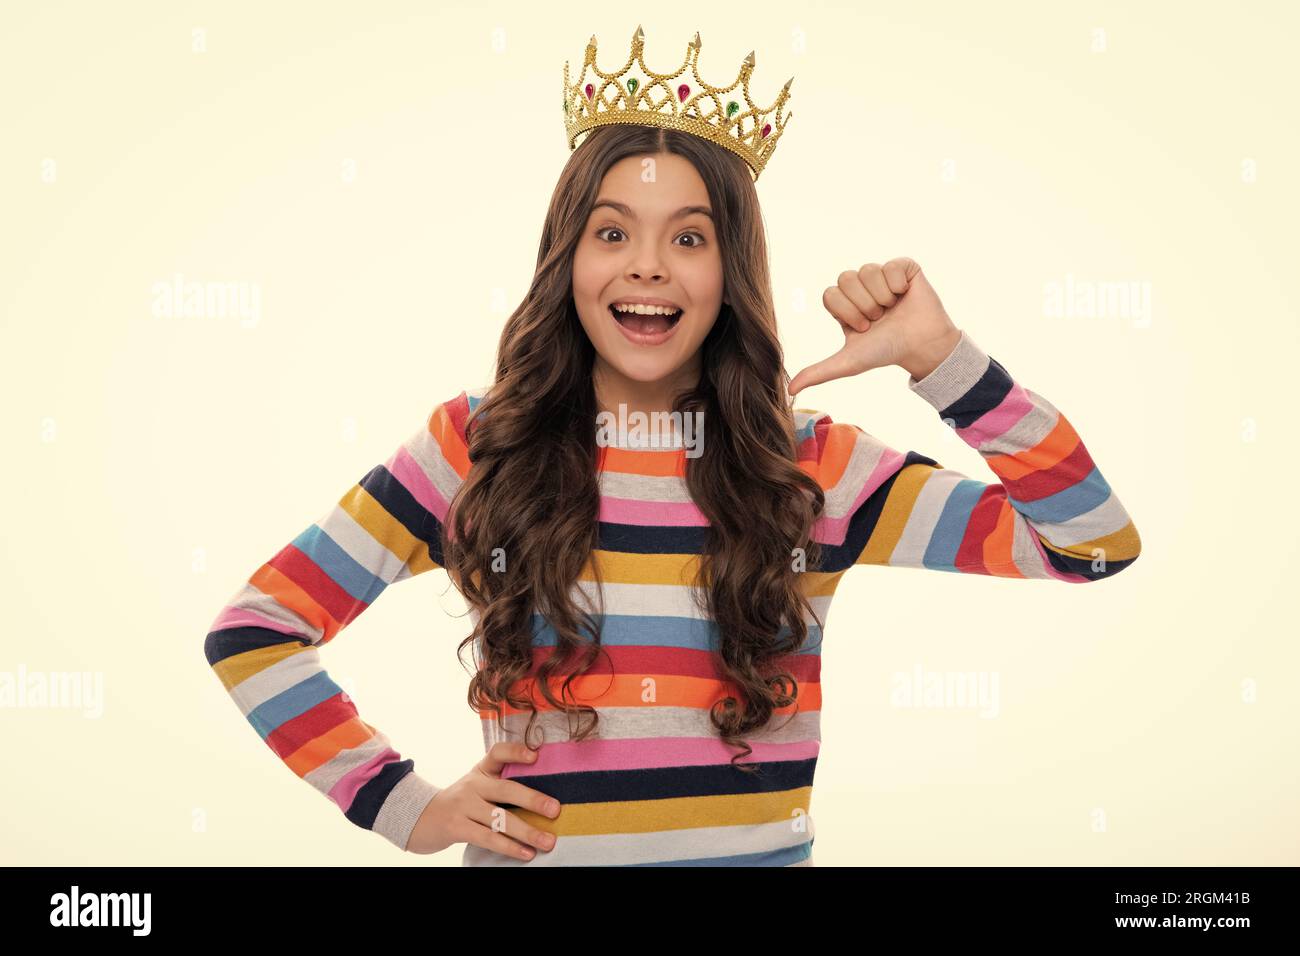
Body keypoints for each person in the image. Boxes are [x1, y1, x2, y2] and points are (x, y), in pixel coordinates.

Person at [203, 27, 1141, 867]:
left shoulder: (815, 468)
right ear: (567, 257)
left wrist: (943, 362)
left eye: (688, 237)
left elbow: (1090, 544)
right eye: (612, 231)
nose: (647, 263)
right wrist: (410, 810)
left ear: (729, 269)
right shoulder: (479, 445)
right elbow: (256, 632)